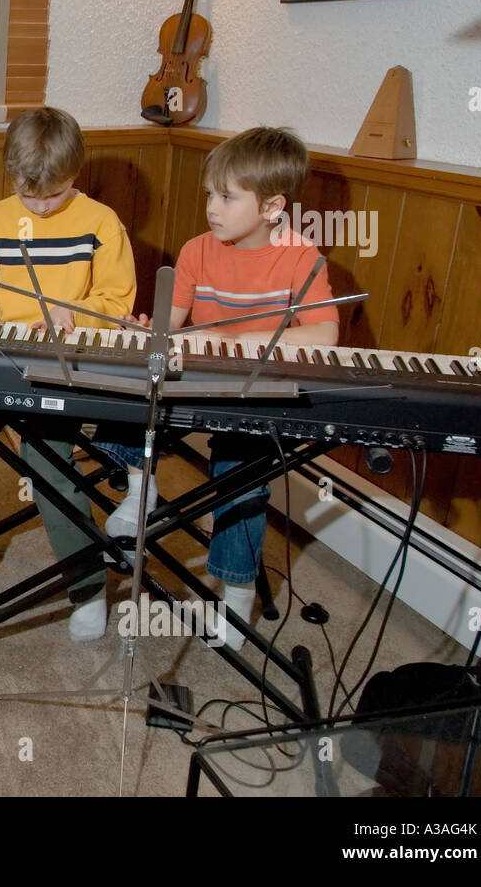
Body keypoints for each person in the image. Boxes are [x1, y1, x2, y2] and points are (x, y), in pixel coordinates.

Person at [98, 126, 337, 648]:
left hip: (252, 394)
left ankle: (235, 595)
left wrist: (234, 336)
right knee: (121, 399)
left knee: (242, 473)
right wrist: (149, 332)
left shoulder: (300, 256)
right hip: (193, 382)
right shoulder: (196, 251)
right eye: (210, 193)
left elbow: (324, 331)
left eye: (228, 197)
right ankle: (141, 490)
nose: (212, 206)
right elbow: (174, 324)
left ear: (273, 207)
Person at [0, 106, 137, 641]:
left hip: (60, 366)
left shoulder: (101, 222)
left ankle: (88, 586)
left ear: (77, 173)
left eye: (55, 193)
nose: (42, 206)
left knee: (49, 471)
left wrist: (81, 313)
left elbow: (117, 297)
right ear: (10, 176)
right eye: (30, 194)